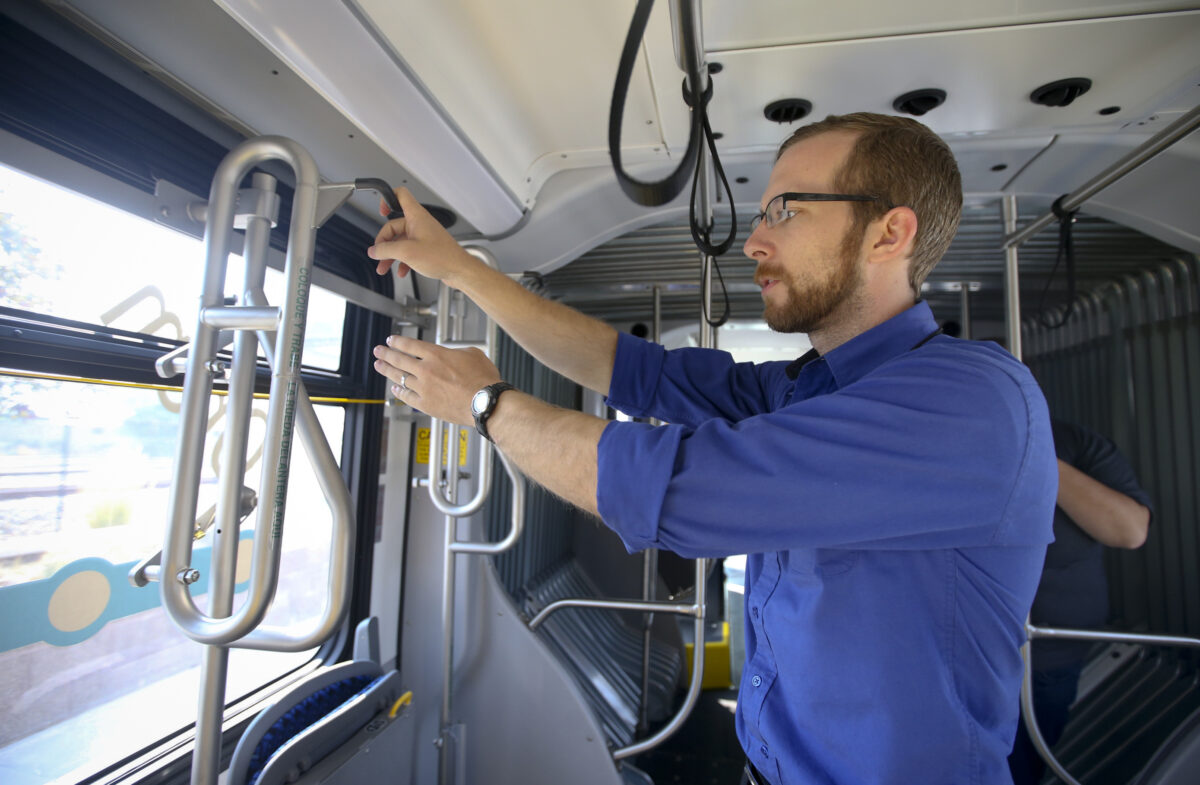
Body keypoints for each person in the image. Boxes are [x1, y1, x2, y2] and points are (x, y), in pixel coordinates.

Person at [367, 113, 1058, 785]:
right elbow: (632, 371)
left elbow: (678, 493)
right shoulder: (808, 390)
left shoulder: (968, 402)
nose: (754, 241)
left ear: (889, 233)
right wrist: (460, 269)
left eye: (785, 210)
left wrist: (486, 406)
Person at [1008, 419, 1151, 785]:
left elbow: (1130, 531)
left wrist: (1038, 456)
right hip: (959, 654)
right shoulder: (943, 446)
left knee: (1023, 766)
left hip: (1049, 656)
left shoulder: (1073, 441)